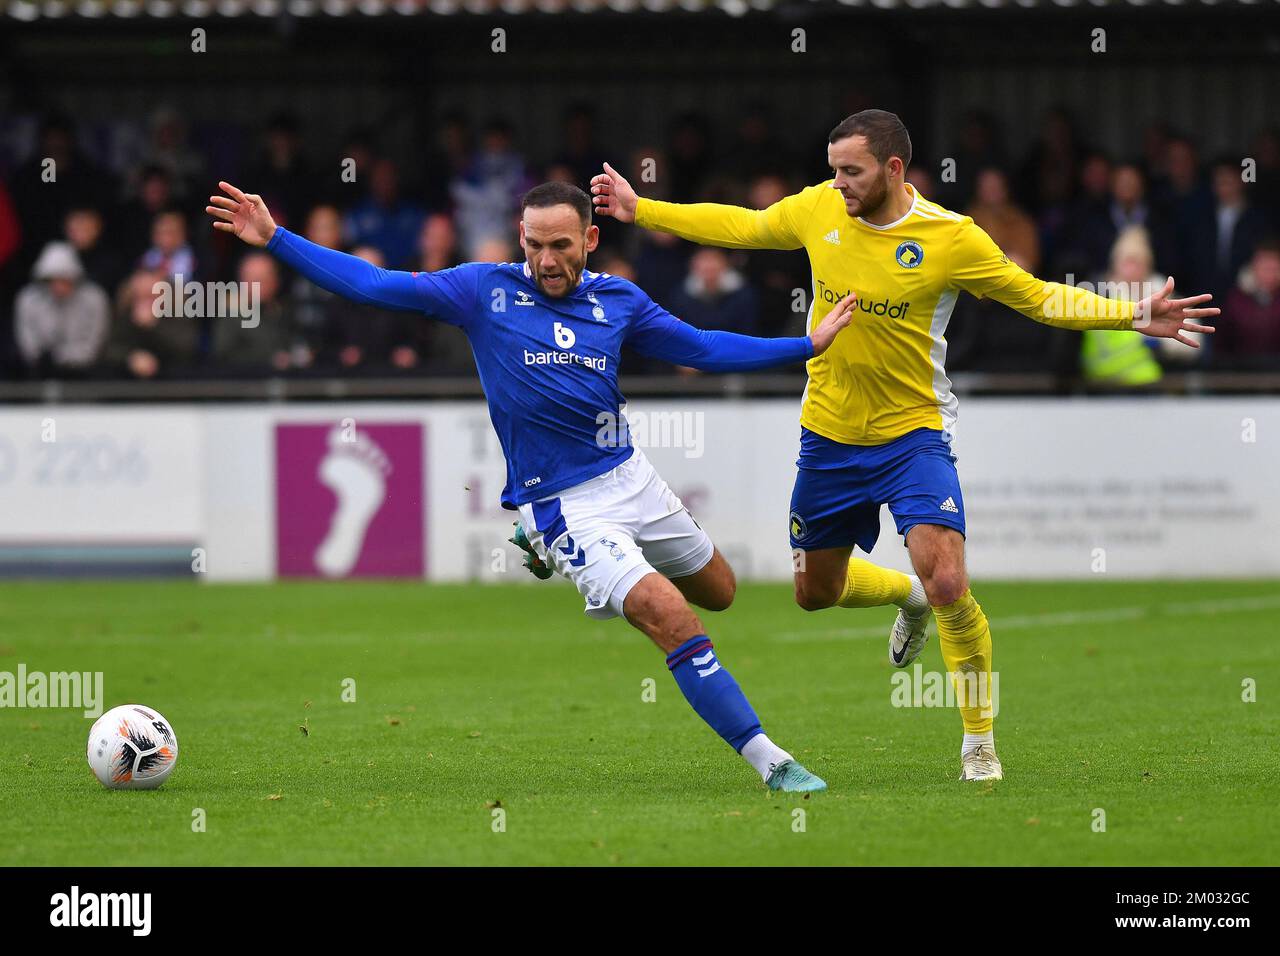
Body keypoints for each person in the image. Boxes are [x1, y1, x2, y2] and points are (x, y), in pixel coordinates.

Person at [593, 108, 1218, 782]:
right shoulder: (818, 209)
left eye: (852, 171)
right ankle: (905, 597)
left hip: (912, 433)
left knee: (947, 576)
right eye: (833, 170)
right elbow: (742, 226)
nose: (839, 184)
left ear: (894, 168)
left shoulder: (951, 238)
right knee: (815, 592)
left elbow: (1035, 298)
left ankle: (978, 743)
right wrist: (642, 209)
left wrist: (1130, 311)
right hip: (828, 435)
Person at [207, 178, 856, 792]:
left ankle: (536, 541)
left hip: (632, 477)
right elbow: (374, 284)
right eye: (534, 244)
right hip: (567, 505)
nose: (546, 260)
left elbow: (704, 348)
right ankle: (770, 761)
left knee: (721, 591)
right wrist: (277, 238)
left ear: (590, 241)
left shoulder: (619, 301)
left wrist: (807, 347)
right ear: (520, 237)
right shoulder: (480, 292)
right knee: (671, 616)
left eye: (560, 246)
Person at [14, 241, 111, 377]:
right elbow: (28, 345)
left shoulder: (94, 299)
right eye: (53, 280)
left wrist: (62, 358)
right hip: (39, 372)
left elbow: (93, 346)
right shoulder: (28, 299)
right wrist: (45, 358)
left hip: (83, 373)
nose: (58, 287)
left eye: (64, 279)